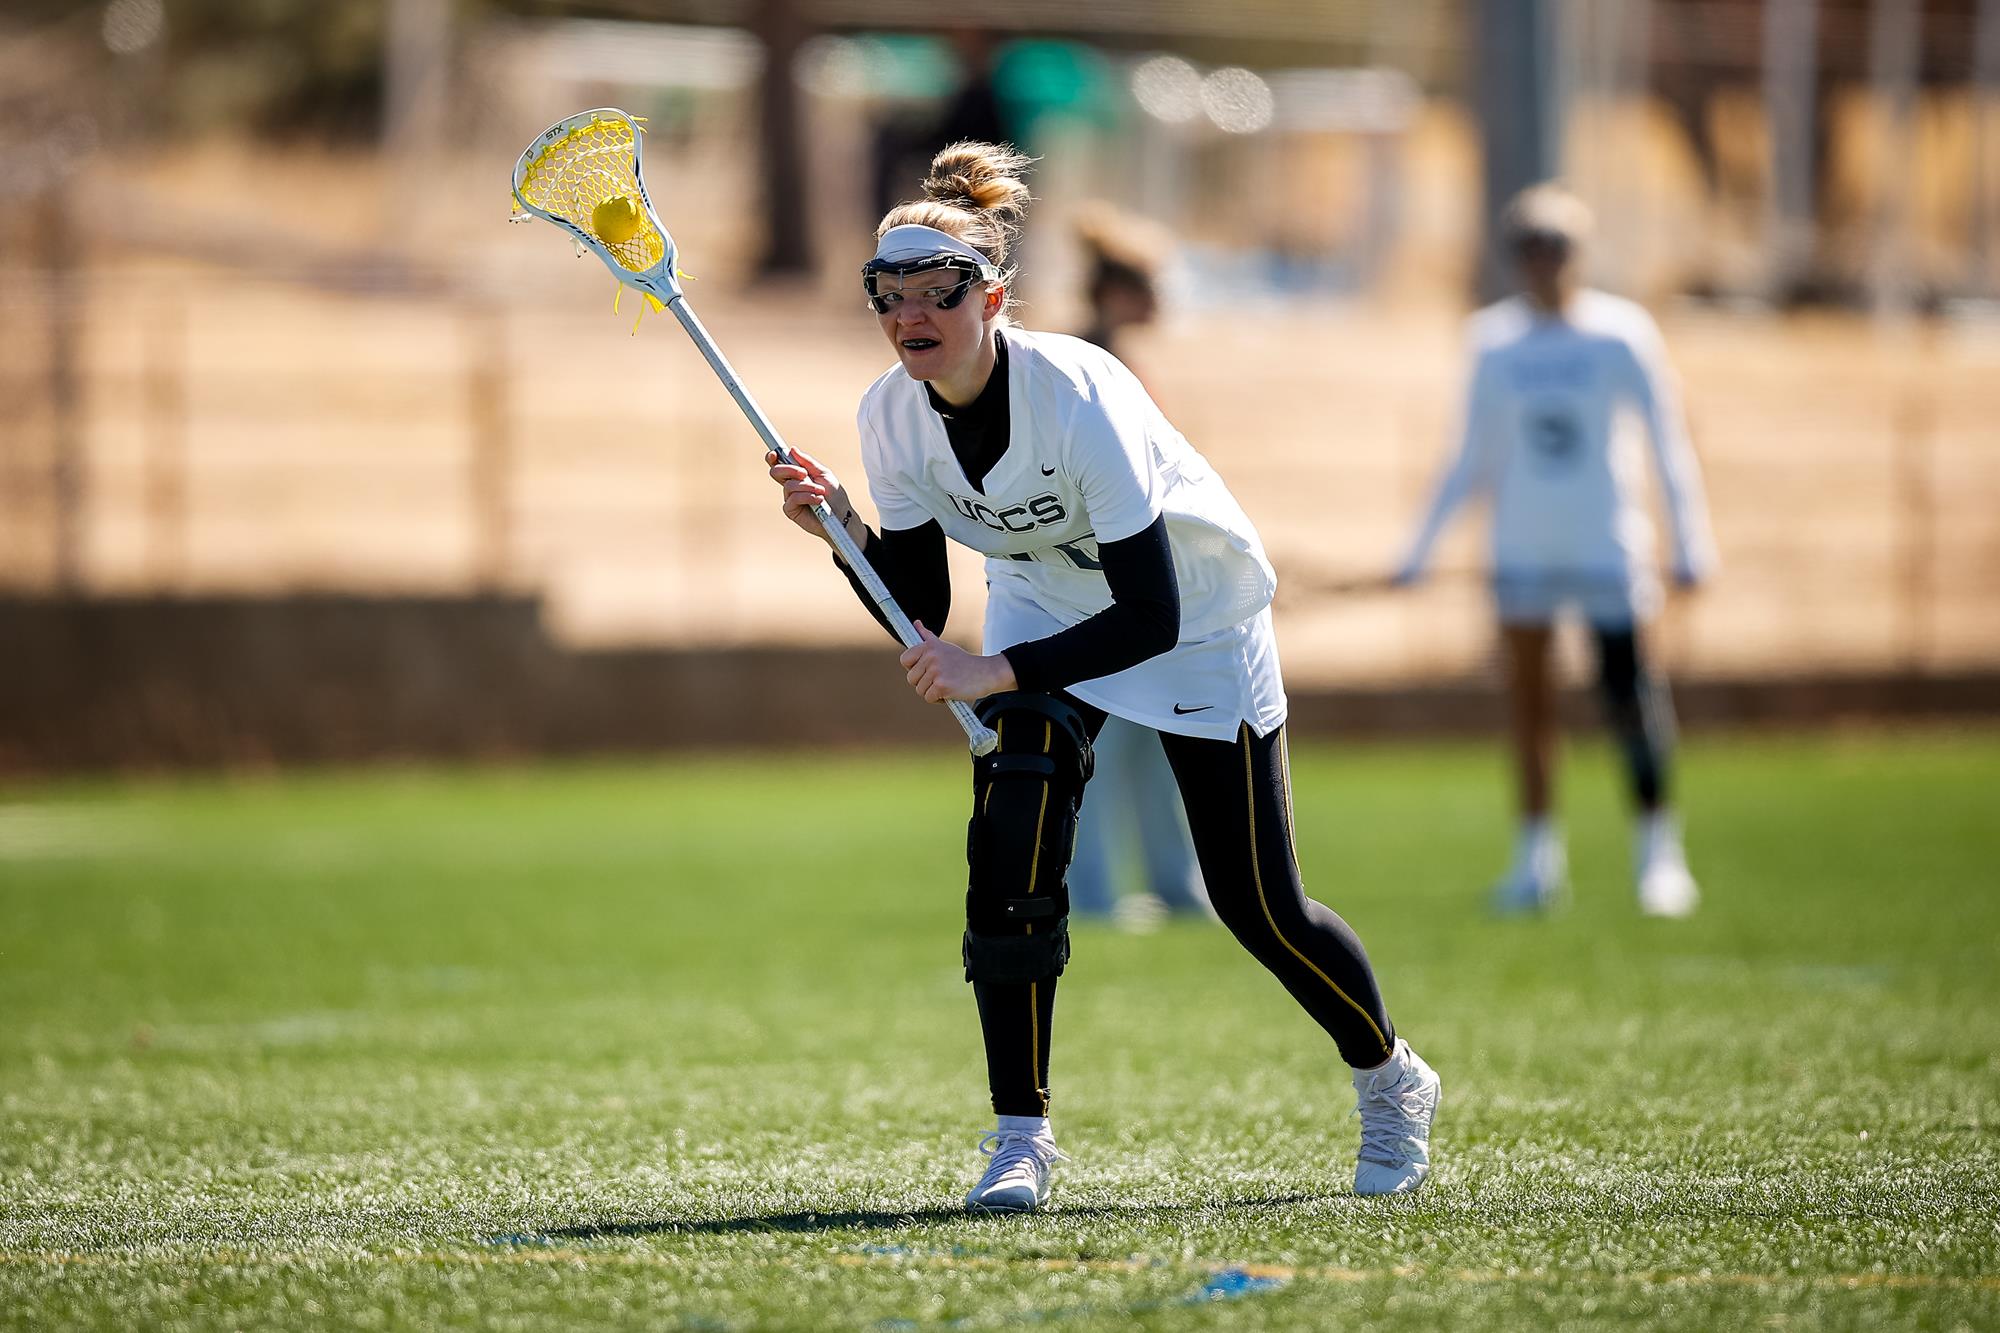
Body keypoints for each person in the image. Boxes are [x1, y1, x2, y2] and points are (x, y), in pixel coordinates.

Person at [766, 142, 1439, 1213]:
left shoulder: (1079, 393)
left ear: (989, 296)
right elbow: (920, 606)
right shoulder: (889, 416)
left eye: (934, 294)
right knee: (1012, 839)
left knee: (1256, 905)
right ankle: (1018, 1135)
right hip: (1039, 603)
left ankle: (1390, 1077)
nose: (908, 318)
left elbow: (1150, 609)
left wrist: (993, 667)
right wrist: (838, 527)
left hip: (1193, 619)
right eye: (885, 297)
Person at [1392, 183, 1718, 918]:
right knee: (1530, 707)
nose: (1544, 261)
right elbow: (1469, 453)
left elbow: (1667, 440)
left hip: (1608, 547)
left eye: (1558, 245)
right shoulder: (1492, 339)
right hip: (1524, 552)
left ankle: (1658, 855)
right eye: (1529, 246)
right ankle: (1537, 860)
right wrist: (1416, 549)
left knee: (1629, 700)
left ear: (1581, 252)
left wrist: (1692, 539)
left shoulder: (1622, 332)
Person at [1065, 204, 1210, 926]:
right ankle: (1091, 894)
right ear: (1119, 291)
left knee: (1156, 738)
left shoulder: (1115, 357)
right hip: (1098, 591)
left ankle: (1174, 884)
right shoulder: (1093, 366)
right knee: (1104, 748)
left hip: (1144, 587)